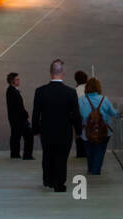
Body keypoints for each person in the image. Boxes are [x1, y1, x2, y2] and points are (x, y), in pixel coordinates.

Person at [31, 59, 82, 192]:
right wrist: (78, 130)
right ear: (63, 73)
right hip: (64, 132)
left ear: (50, 72)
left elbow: (36, 113)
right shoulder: (70, 92)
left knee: (47, 155)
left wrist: (35, 129)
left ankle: (48, 180)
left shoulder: (40, 91)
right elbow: (76, 115)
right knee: (61, 157)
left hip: (46, 131)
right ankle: (59, 183)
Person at [78, 76, 118, 176]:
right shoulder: (104, 99)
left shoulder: (81, 100)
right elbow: (114, 113)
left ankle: (91, 170)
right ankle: (96, 172)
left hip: (86, 132)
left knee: (89, 152)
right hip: (103, 132)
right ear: (98, 87)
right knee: (99, 152)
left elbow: (77, 115)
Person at [5, 72, 34, 160]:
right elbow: (18, 106)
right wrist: (26, 115)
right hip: (19, 119)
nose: (19, 80)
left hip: (16, 119)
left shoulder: (11, 90)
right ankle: (26, 155)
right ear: (12, 81)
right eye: (17, 79)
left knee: (16, 136)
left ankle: (15, 154)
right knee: (28, 135)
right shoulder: (12, 91)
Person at [73, 69, 88, 158]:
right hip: (89, 117)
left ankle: (80, 154)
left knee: (79, 136)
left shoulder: (75, 91)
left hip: (79, 117)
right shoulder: (89, 89)